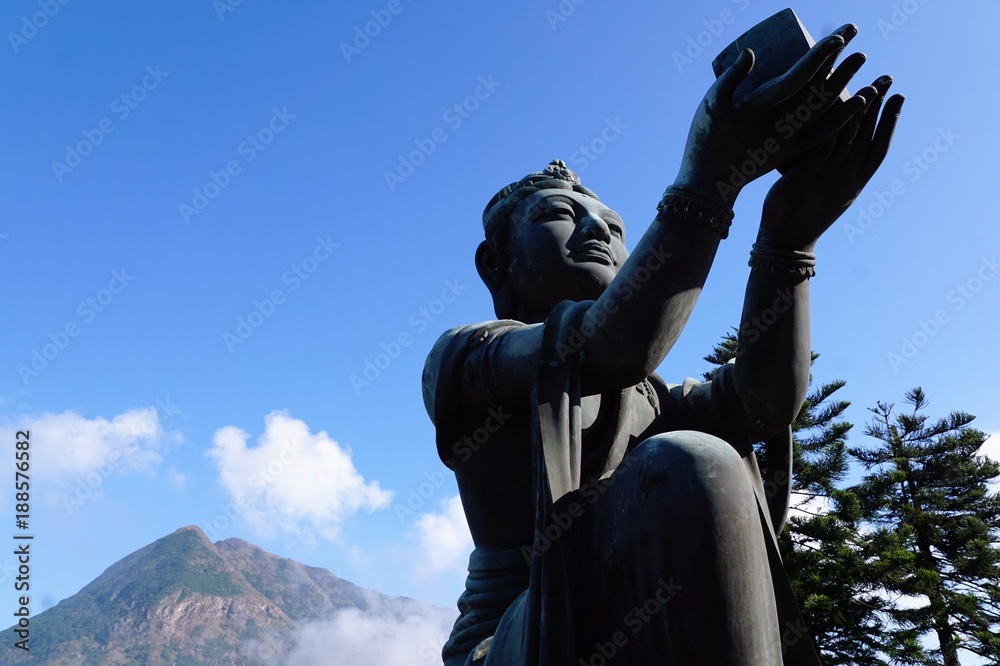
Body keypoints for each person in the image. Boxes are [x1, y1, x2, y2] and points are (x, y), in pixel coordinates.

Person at [422, 23, 903, 666]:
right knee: (690, 464)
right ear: (496, 267)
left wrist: (788, 242)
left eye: (615, 227)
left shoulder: (650, 399)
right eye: (559, 215)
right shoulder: (471, 357)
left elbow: (761, 400)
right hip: (516, 635)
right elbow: (605, 349)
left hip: (630, 599)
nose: (597, 228)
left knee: (698, 459)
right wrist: (708, 183)